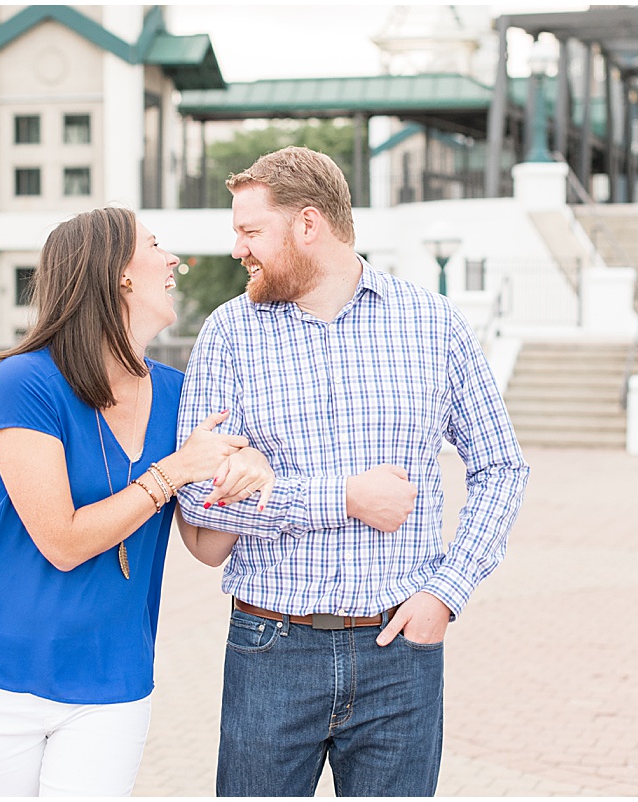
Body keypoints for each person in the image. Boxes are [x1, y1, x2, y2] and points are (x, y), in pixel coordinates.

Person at [175, 147, 530, 797]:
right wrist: (340, 498)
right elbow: (197, 498)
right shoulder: (229, 333)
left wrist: (446, 593)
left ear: (308, 225)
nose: (237, 249)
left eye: (250, 231)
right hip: (270, 648)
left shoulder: (434, 324)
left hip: (401, 652)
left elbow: (501, 467)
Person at [0, 206, 273, 797]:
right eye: (157, 245)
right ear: (120, 274)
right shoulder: (26, 381)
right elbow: (63, 541)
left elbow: (207, 547)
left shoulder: (179, 393)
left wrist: (251, 477)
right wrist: (174, 471)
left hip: (114, 677)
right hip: (2, 673)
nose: (174, 259)